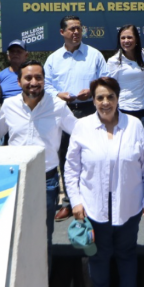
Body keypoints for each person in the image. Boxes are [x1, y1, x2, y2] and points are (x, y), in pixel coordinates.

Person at [64, 77, 144, 287]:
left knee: (127, 255)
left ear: (118, 98)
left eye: (110, 97)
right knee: (99, 257)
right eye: (100, 98)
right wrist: (76, 202)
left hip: (128, 206)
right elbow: (71, 169)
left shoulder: (134, 125)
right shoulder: (82, 127)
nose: (105, 102)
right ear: (93, 100)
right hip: (94, 208)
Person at [0, 60, 77, 256]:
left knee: (43, 236)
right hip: (14, 179)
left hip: (46, 181)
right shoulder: (8, 106)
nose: (34, 82)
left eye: (38, 78)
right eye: (28, 78)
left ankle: (45, 284)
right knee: (13, 233)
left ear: (44, 80)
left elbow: (79, 133)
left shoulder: (57, 106)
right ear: (18, 82)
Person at [44, 15, 108, 221]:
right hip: (63, 112)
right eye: (71, 29)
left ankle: (93, 200)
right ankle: (70, 203)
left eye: (79, 28)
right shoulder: (53, 59)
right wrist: (57, 94)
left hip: (90, 110)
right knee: (66, 157)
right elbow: (46, 84)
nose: (76, 32)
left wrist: (92, 91)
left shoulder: (95, 55)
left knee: (92, 156)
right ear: (62, 32)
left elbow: (105, 80)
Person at [106, 24, 144, 139]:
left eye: (129, 37)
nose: (126, 41)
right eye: (123, 38)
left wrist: (142, 89)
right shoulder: (114, 61)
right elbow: (110, 87)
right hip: (124, 110)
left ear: (136, 39)